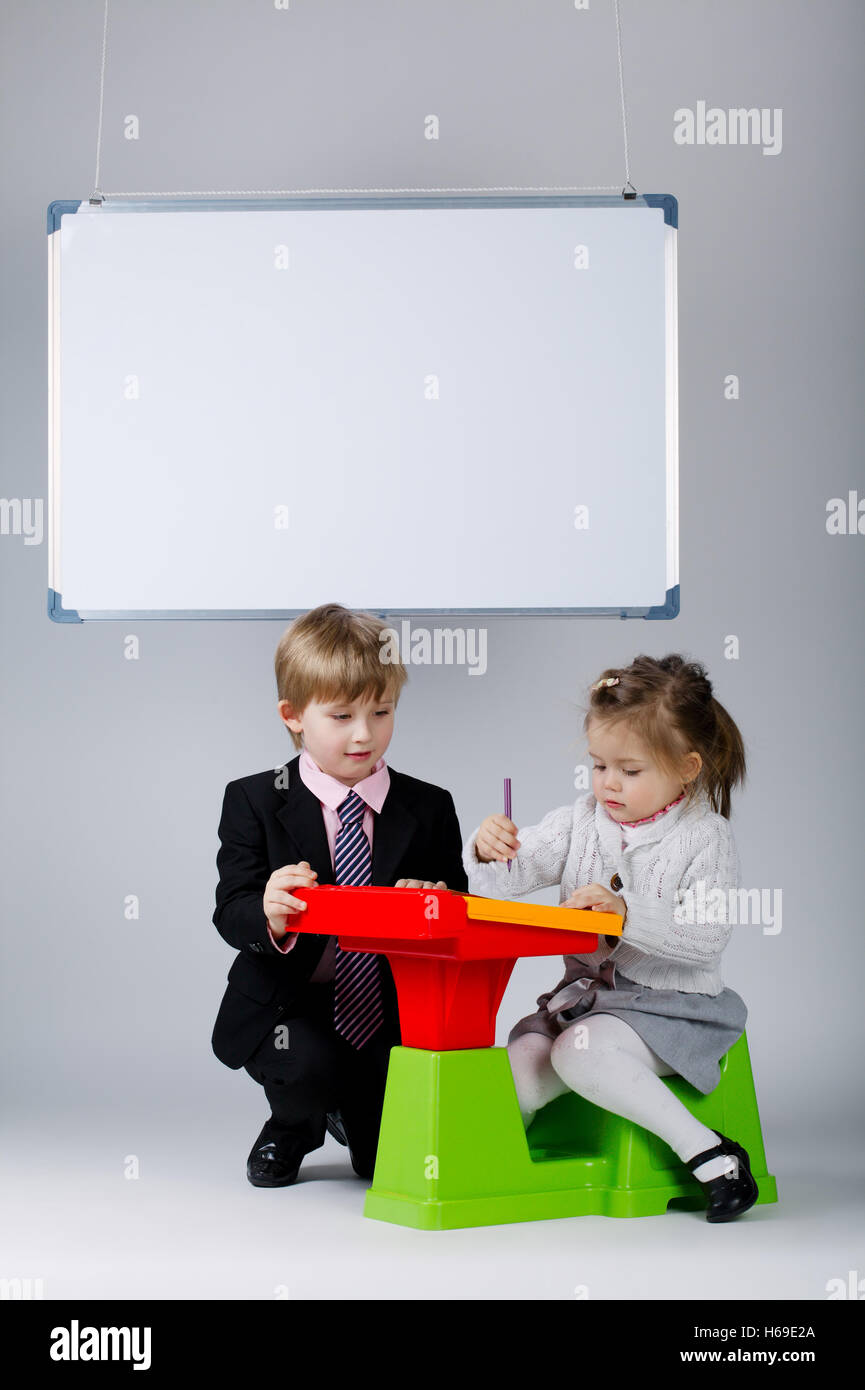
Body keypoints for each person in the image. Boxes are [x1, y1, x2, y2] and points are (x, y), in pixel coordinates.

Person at [463, 653, 759, 1223]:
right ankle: (487, 1175)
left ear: (687, 766)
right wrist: (490, 847)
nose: (608, 784)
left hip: (673, 1010)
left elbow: (708, 938)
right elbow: (508, 881)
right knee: (517, 1070)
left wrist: (626, 913)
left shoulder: (706, 837)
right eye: (599, 766)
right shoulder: (580, 819)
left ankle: (711, 1155)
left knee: (581, 1052)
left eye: (629, 769)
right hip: (587, 1004)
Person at [211, 603, 468, 1187]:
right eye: (342, 715)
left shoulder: (429, 805)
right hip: (293, 1004)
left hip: (387, 1007)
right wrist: (270, 912)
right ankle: (292, 1124)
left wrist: (435, 899)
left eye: (382, 712)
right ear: (294, 715)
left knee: (380, 1165)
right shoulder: (252, 799)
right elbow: (231, 909)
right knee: (308, 1064)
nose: (364, 733)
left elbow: (457, 902)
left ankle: (353, 1116)